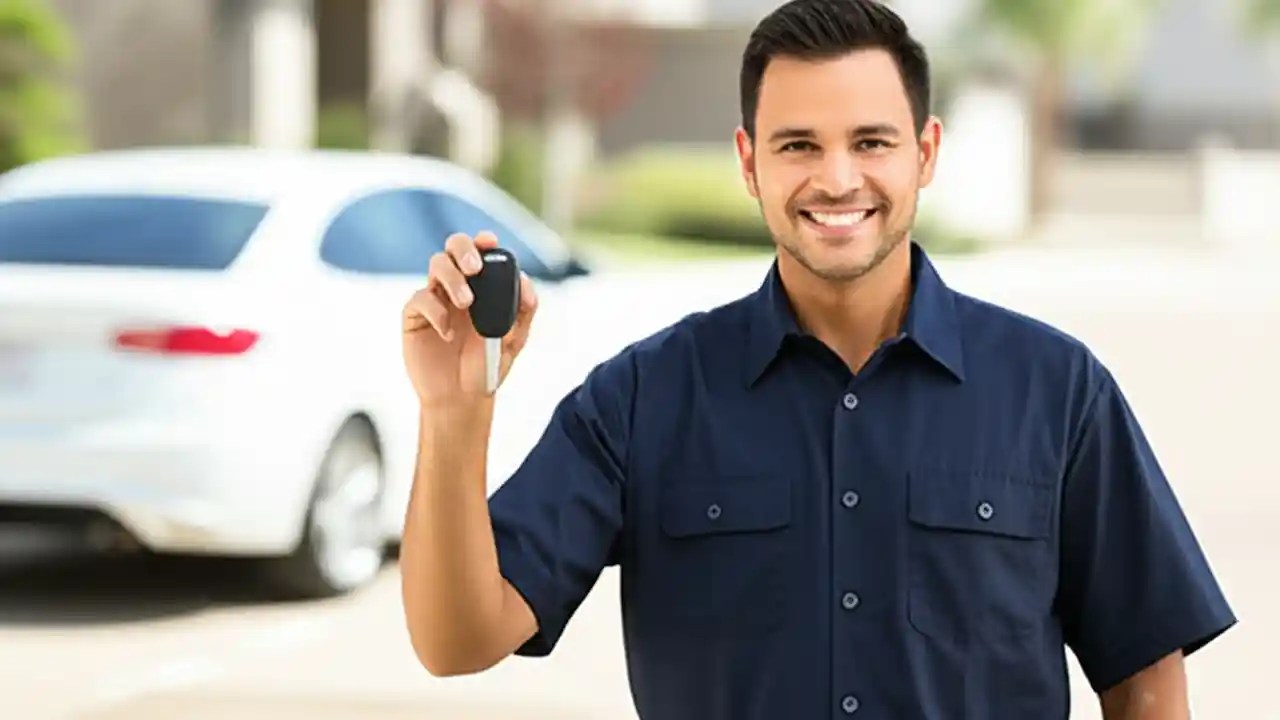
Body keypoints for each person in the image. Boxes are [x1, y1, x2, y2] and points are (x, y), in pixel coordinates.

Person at [398, 0, 1236, 717]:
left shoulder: (1057, 390)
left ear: (926, 153)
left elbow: (1147, 677)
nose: (838, 179)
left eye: (872, 141)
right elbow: (458, 641)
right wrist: (453, 414)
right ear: (748, 162)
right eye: (798, 145)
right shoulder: (646, 395)